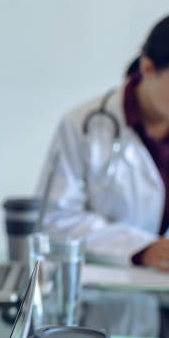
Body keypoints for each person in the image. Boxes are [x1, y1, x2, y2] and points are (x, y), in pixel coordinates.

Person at [36, 14, 169, 270]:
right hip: (106, 293)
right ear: (148, 68)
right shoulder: (82, 126)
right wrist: (141, 248)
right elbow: (56, 221)